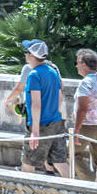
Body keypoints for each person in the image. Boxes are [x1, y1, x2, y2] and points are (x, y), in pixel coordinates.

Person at [20, 40, 69, 177]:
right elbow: (59, 96)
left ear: (30, 55)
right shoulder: (53, 71)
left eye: (26, 52)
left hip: (40, 125)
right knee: (60, 162)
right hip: (56, 122)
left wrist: (35, 132)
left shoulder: (34, 75)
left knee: (28, 163)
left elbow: (36, 104)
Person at [70, 48, 97, 179]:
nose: (76, 66)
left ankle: (91, 182)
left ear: (84, 64)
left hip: (87, 125)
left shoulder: (86, 83)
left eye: (77, 63)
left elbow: (82, 108)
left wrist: (76, 130)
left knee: (71, 154)